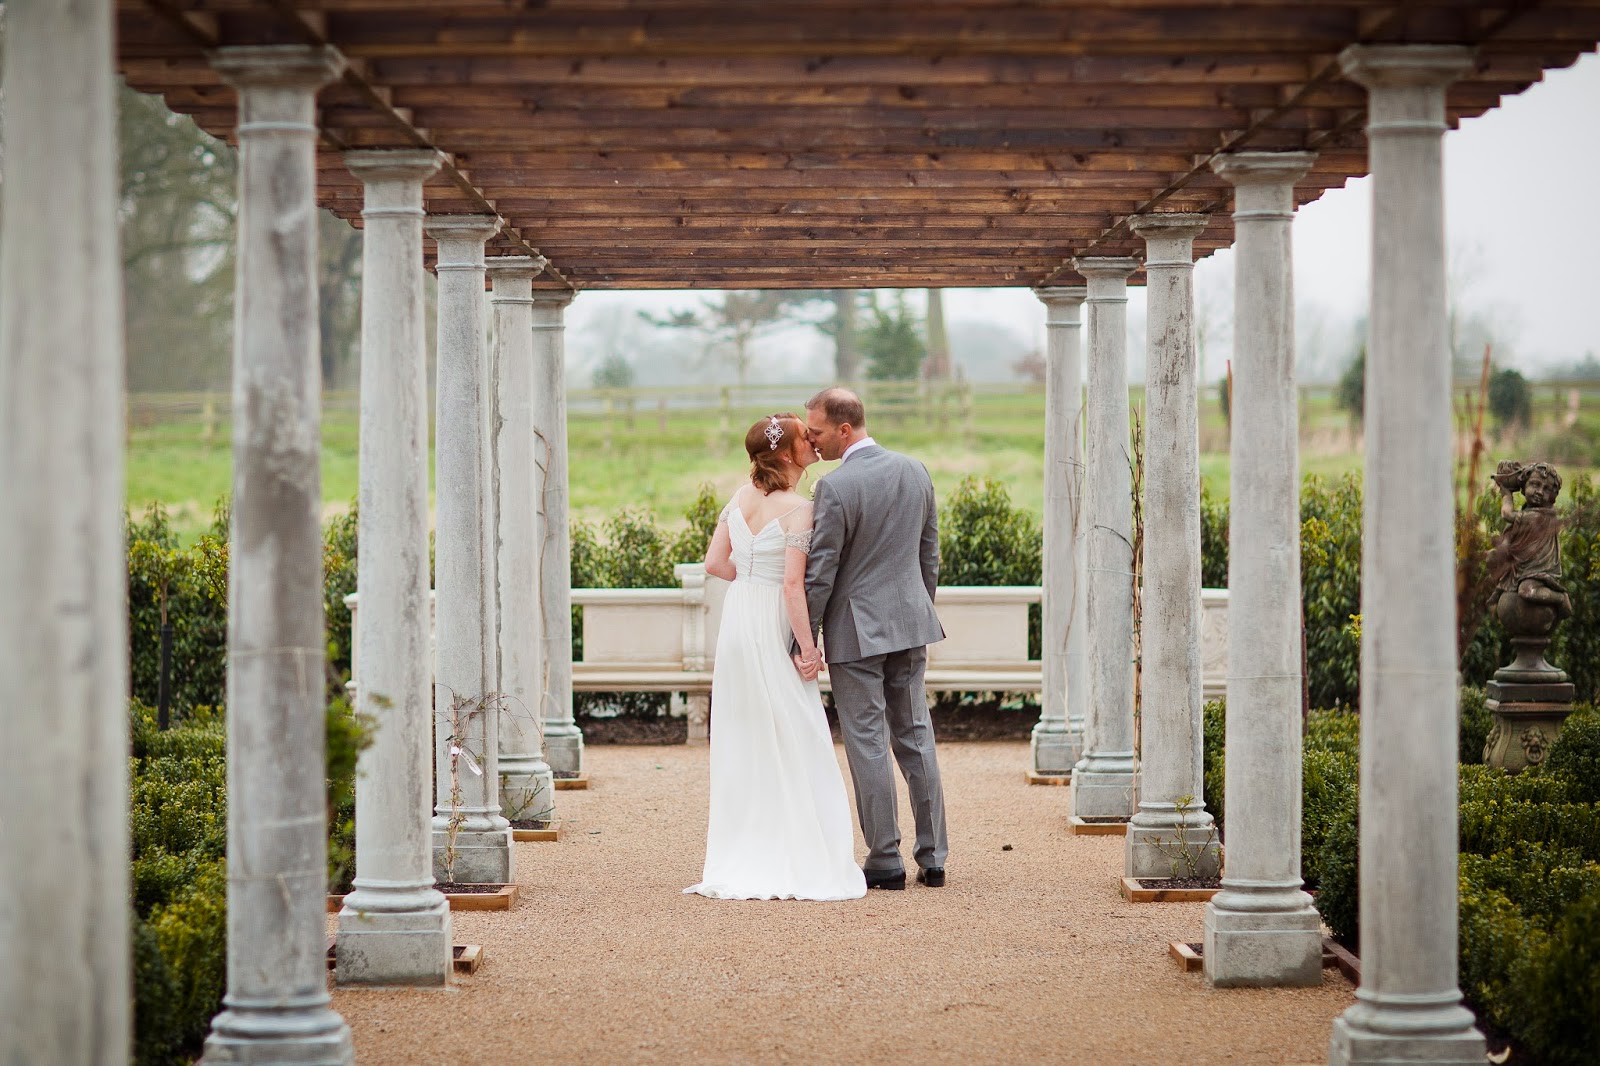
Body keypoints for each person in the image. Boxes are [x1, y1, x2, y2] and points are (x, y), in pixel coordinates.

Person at [683, 413, 866, 901]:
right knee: (796, 731)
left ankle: (744, 848)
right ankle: (798, 853)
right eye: (805, 438)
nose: (812, 441)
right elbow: (791, 586)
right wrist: (808, 649)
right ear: (787, 455)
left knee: (746, 736)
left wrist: (749, 582)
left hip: (739, 621)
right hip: (771, 624)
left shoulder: (739, 498)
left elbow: (714, 563)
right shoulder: (798, 508)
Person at [800, 387, 949, 890]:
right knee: (915, 736)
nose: (811, 441)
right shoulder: (916, 471)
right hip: (910, 624)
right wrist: (915, 607)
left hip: (855, 633)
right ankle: (933, 858)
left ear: (845, 429)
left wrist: (807, 636)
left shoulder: (835, 488)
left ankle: (885, 861)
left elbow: (822, 572)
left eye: (817, 431)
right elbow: (929, 555)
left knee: (867, 741)